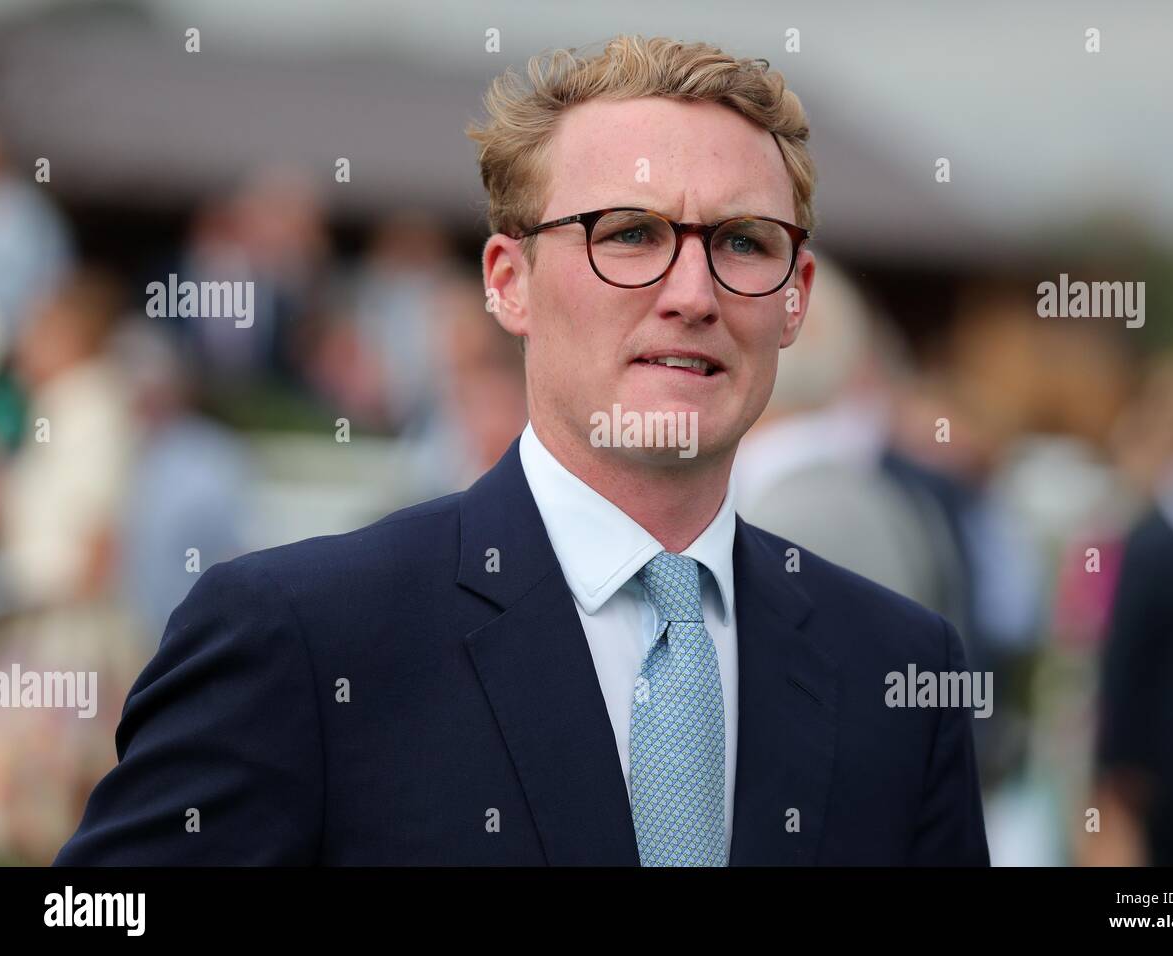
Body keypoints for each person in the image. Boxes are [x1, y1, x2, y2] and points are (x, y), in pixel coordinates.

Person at [55, 35, 989, 866]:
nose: (693, 293)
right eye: (631, 234)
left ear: (796, 298)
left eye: (743, 242)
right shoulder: (302, 639)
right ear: (510, 283)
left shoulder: (894, 669)